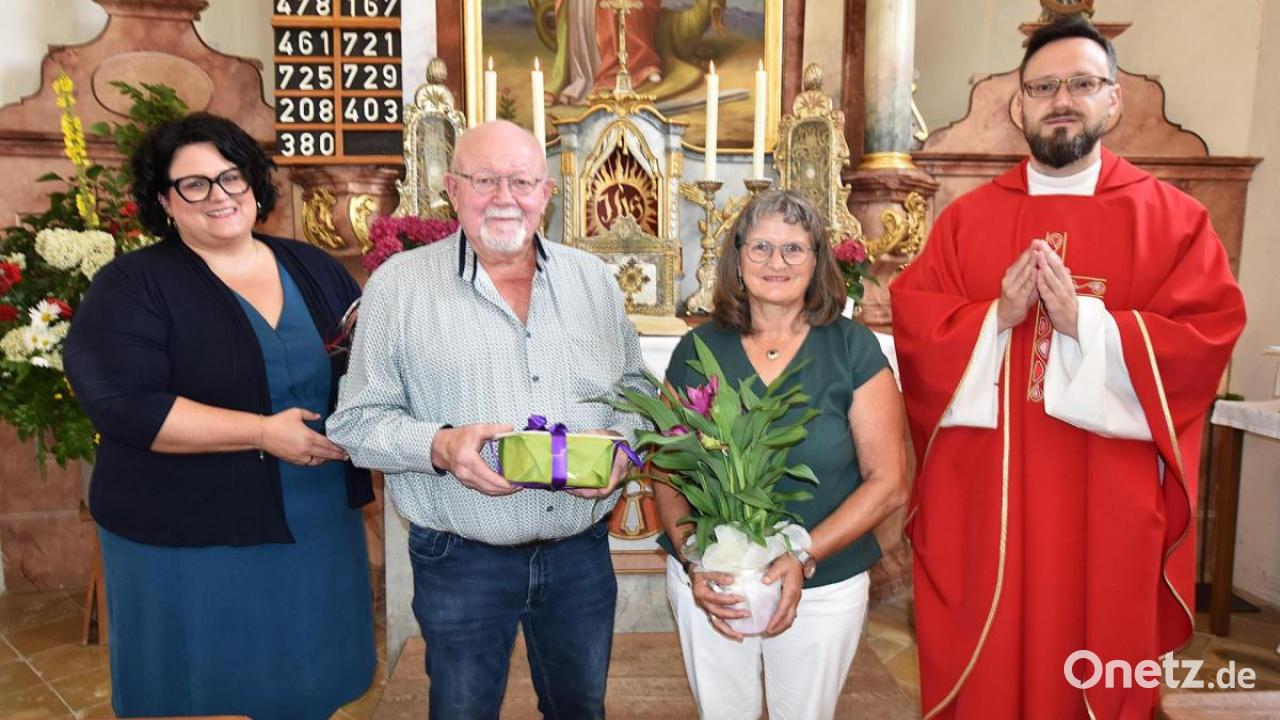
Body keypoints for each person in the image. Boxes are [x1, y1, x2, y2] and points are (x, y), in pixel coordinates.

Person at [892, 16, 1246, 720]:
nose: (1062, 100)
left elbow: (1205, 338)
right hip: (987, 499)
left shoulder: (1173, 221)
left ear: (1113, 100)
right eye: (1043, 86)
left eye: (1082, 83)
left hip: (1107, 498)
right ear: (1017, 106)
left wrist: (1088, 323)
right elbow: (918, 331)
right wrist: (995, 316)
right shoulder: (965, 222)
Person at [327, 120, 649, 720]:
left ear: (547, 193)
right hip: (461, 560)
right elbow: (356, 424)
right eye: (484, 180)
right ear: (453, 189)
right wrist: (442, 446)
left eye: (522, 181)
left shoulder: (593, 280)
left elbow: (637, 390)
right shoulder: (399, 285)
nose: (505, 197)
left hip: (578, 556)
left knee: (581, 708)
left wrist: (622, 450)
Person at [63, 113, 376, 719]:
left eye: (232, 176)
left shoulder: (315, 268)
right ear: (164, 200)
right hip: (187, 530)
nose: (220, 195)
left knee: (307, 686)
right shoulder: (132, 285)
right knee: (201, 694)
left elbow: (371, 366)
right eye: (194, 184)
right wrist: (261, 432)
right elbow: (124, 404)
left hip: (314, 521)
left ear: (254, 183)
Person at [656, 189, 909, 720]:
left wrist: (804, 554)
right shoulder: (698, 350)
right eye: (761, 247)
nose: (777, 262)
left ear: (817, 261)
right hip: (716, 580)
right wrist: (694, 557)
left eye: (794, 248)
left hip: (823, 582)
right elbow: (666, 469)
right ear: (737, 258)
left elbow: (888, 482)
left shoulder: (852, 348)